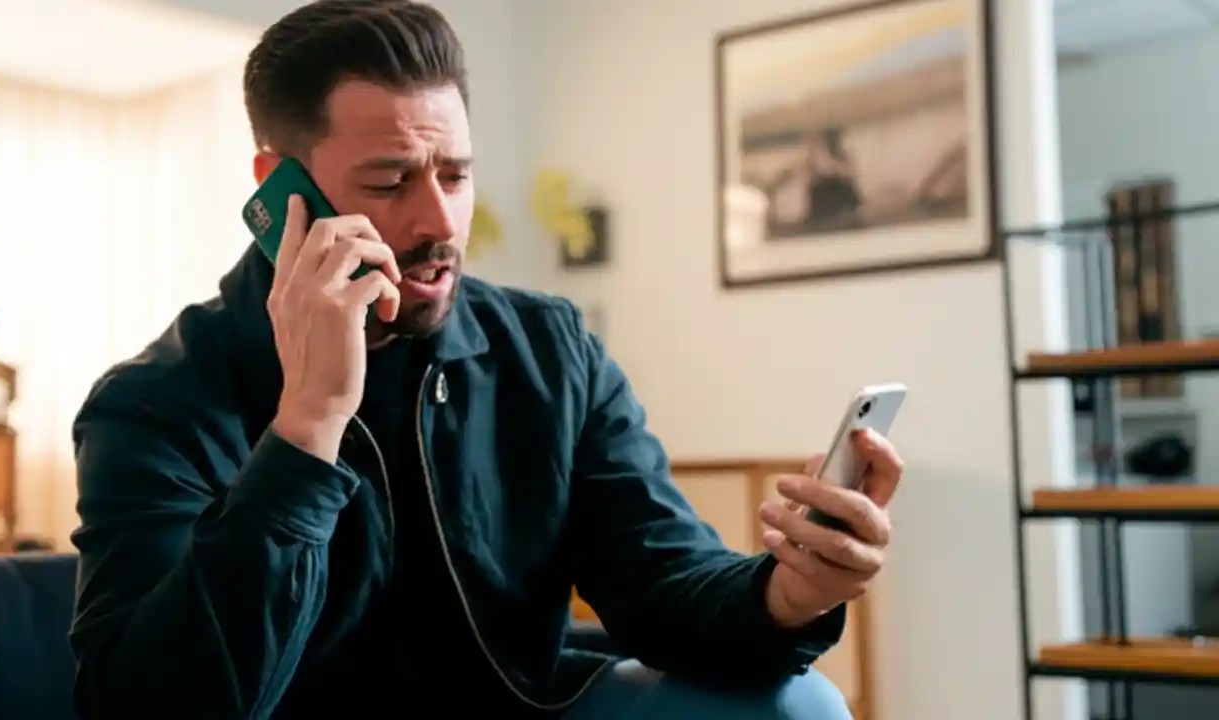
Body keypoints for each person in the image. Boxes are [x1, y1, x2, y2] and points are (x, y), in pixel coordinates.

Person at [66, 1, 904, 718]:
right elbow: (149, 702)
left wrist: (787, 598)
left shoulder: (547, 351)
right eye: (391, 182)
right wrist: (306, 429)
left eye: (457, 175)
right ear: (280, 191)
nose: (440, 221)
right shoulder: (155, 403)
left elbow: (663, 581)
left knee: (802, 704)